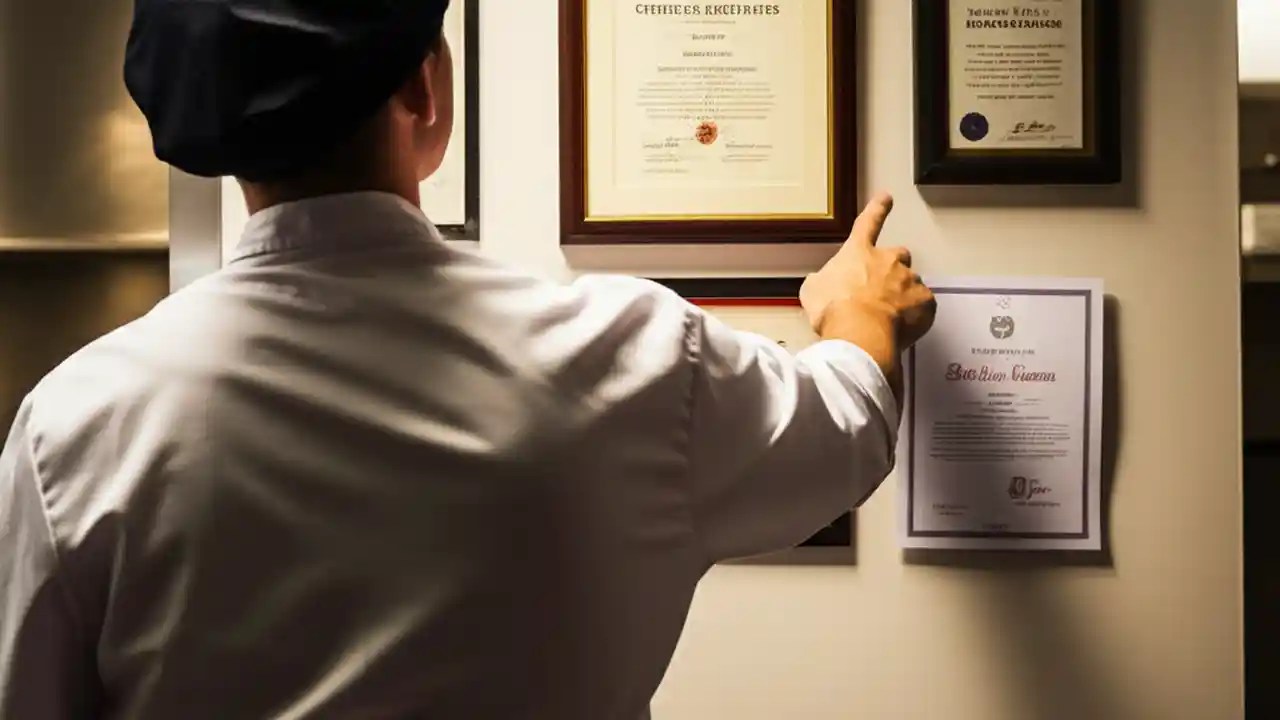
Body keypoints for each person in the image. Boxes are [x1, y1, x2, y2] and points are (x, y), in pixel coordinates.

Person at [0, 0, 936, 717]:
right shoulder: (632, 355)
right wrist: (859, 307)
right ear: (424, 89)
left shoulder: (75, 425)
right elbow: (847, 423)